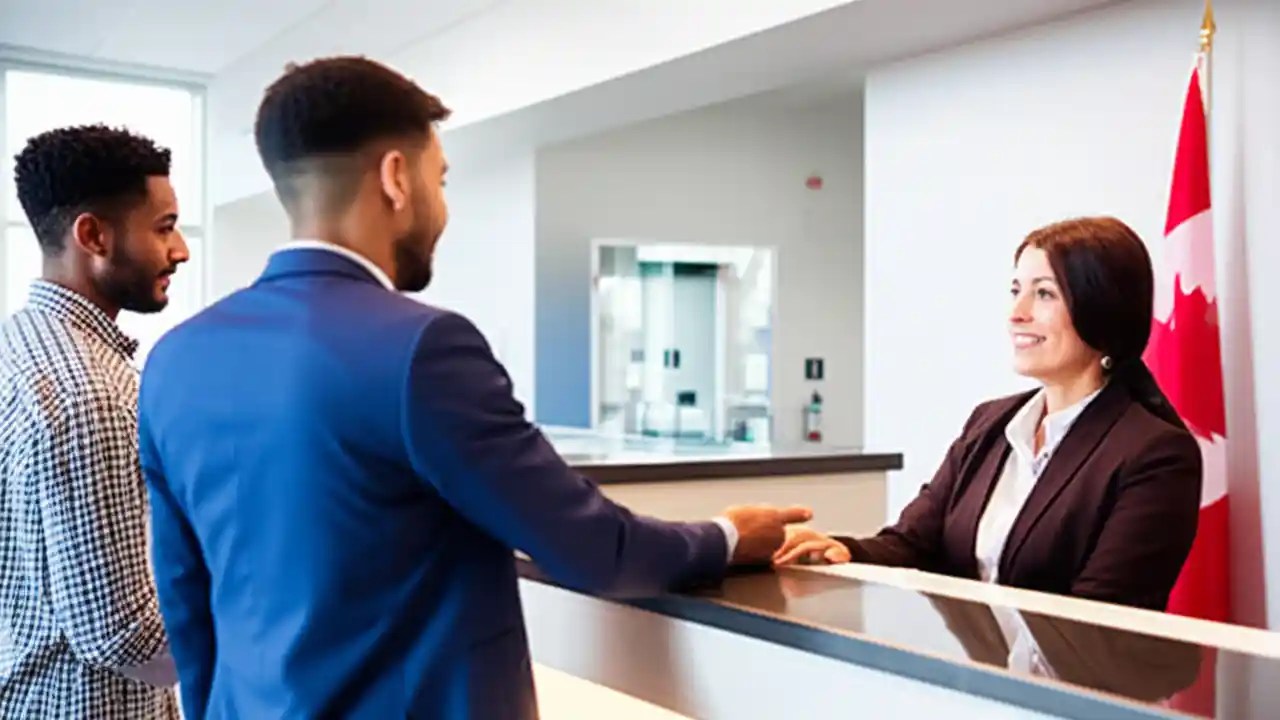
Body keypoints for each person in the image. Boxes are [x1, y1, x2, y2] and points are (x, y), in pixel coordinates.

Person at [138, 56, 810, 720]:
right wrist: (726, 536)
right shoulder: (420, 349)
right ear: (397, 179)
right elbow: (593, 548)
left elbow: (186, 604)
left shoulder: (175, 360)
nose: (442, 207)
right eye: (442, 179)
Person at [775, 216, 1202, 612]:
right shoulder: (990, 424)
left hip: (1068, 687)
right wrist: (842, 549)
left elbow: (1102, 617)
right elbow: (913, 544)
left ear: (1101, 309)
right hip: (975, 678)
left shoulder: (1156, 454)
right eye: (1016, 290)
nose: (1017, 313)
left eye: (1045, 293)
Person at [0, 125, 189, 718]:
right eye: (164, 227)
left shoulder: (16, 344)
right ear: (93, 235)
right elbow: (121, 632)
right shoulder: (91, 394)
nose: (180, 249)